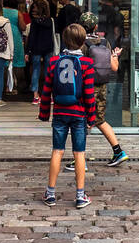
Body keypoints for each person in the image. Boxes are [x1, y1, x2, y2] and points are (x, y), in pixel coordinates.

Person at [38, 22, 96, 209]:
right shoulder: (87, 63)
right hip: (79, 114)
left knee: (57, 151)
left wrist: (44, 112)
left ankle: (51, 193)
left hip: (60, 113)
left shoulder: (54, 62)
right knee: (79, 153)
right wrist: (92, 117)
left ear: (64, 40)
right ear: (82, 42)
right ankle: (80, 195)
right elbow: (89, 93)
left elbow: (46, 90)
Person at [80, 9, 129, 166]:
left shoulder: (81, 44)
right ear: (95, 27)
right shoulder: (104, 42)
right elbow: (114, 68)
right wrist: (115, 56)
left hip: (86, 88)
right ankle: (118, 151)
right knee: (100, 120)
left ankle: (80, 159)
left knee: (81, 121)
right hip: (102, 87)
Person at [25, 0, 56, 104]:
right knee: (49, 72)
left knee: (36, 71)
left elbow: (32, 37)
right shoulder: (50, 21)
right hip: (48, 48)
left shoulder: (34, 22)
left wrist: (28, 51)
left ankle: (35, 96)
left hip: (36, 49)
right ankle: (49, 95)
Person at [2, 0, 25, 95]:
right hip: (15, 37)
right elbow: (23, 27)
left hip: (3, 36)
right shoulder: (17, 13)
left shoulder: (0, 12)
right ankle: (14, 85)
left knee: (4, 62)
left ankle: (6, 86)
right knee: (16, 62)